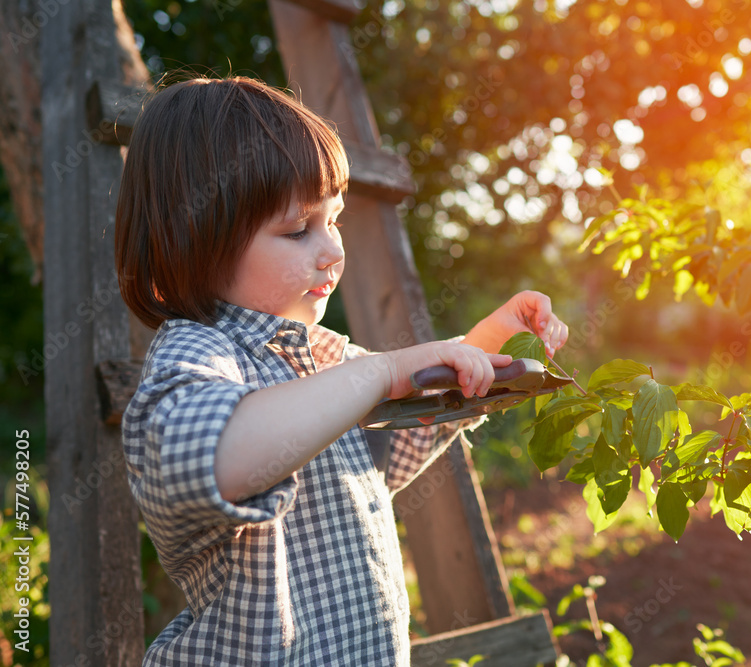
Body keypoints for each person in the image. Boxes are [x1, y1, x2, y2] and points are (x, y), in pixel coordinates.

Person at [115, 76, 568, 665]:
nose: (332, 250)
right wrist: (380, 373)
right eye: (298, 229)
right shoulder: (199, 354)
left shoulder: (320, 356)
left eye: (335, 220)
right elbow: (217, 452)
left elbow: (409, 420)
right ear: (193, 239)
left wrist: (488, 340)